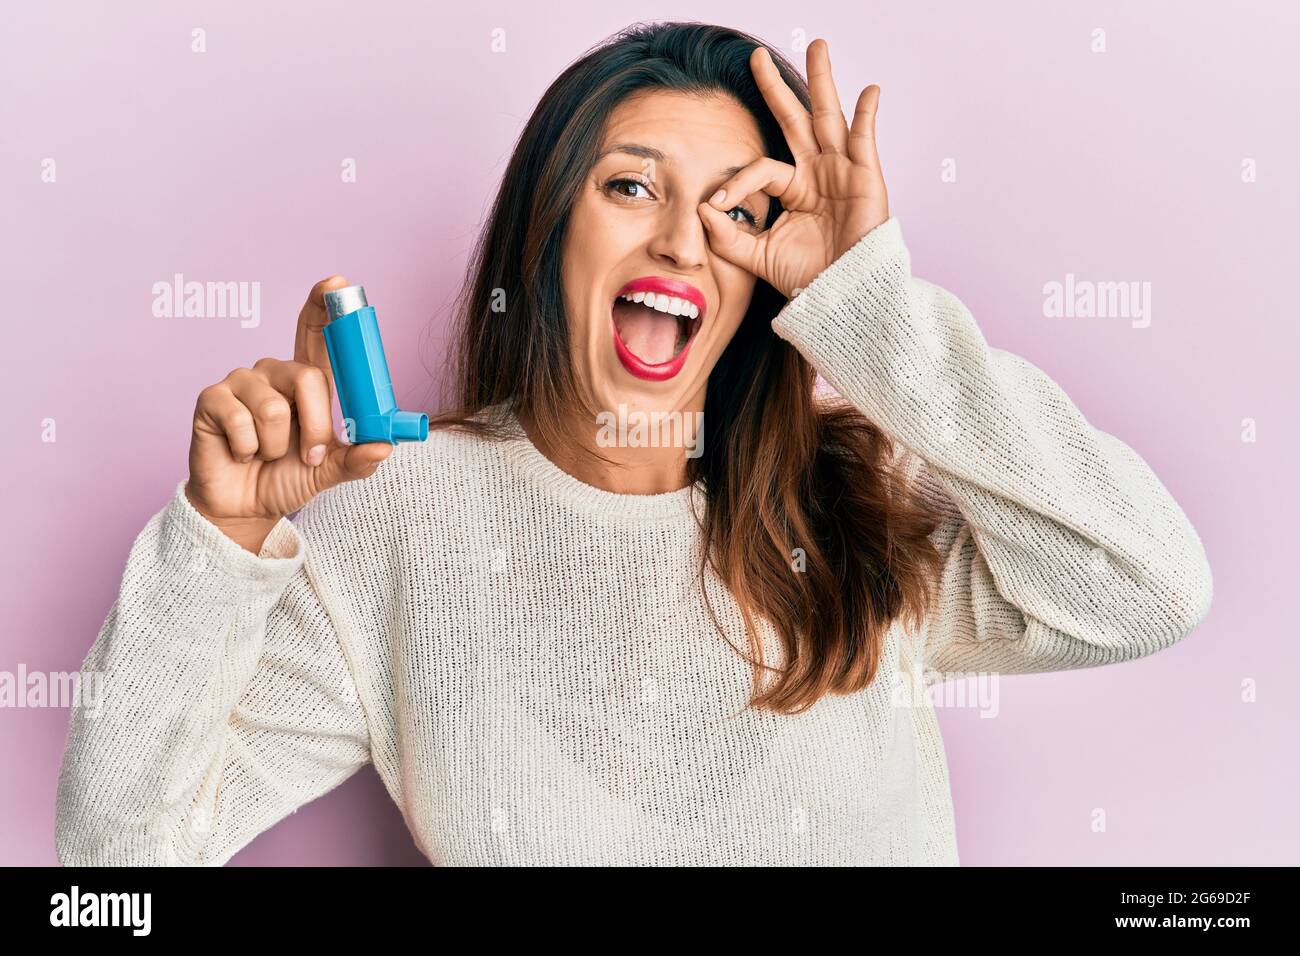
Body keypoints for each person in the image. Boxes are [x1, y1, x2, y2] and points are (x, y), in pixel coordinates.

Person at [54, 22, 1213, 866]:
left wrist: (873, 313)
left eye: (736, 211)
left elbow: (1147, 587)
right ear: (549, 230)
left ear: (771, 276)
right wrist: (219, 542)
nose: (678, 240)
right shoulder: (390, 519)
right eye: (628, 187)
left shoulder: (857, 490)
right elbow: (113, 877)